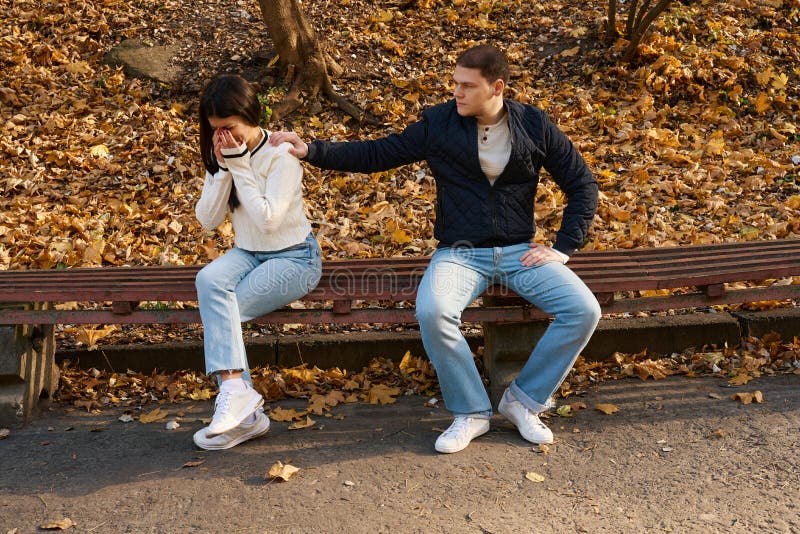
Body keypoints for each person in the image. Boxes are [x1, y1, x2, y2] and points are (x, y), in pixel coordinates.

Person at [270, 44, 601, 454]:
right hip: (459, 253)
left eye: (467, 86)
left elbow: (582, 185)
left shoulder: (534, 124)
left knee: (584, 310)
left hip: (520, 252)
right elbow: (378, 152)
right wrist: (313, 150)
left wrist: (564, 247)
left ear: (497, 87)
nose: (456, 93)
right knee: (433, 310)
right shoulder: (440, 123)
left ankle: (523, 401)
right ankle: (471, 412)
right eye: (455, 83)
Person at [192, 74, 322, 450]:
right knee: (210, 280)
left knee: (223, 308)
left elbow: (269, 219)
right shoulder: (222, 153)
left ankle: (245, 416)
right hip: (248, 253)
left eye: (230, 128)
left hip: (296, 258)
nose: (223, 137)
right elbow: (207, 220)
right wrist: (220, 171)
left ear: (252, 116)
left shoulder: (281, 156)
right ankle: (237, 394)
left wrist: (240, 166)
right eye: (215, 129)